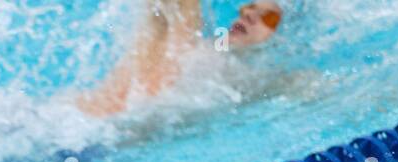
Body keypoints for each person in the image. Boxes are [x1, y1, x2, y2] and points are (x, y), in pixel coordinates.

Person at [76, 0, 283, 116]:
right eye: (250, 7)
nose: (249, 15)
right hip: (78, 118)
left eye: (268, 18)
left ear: (280, 37)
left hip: (92, 137)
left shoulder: (248, 77)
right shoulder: (200, 47)